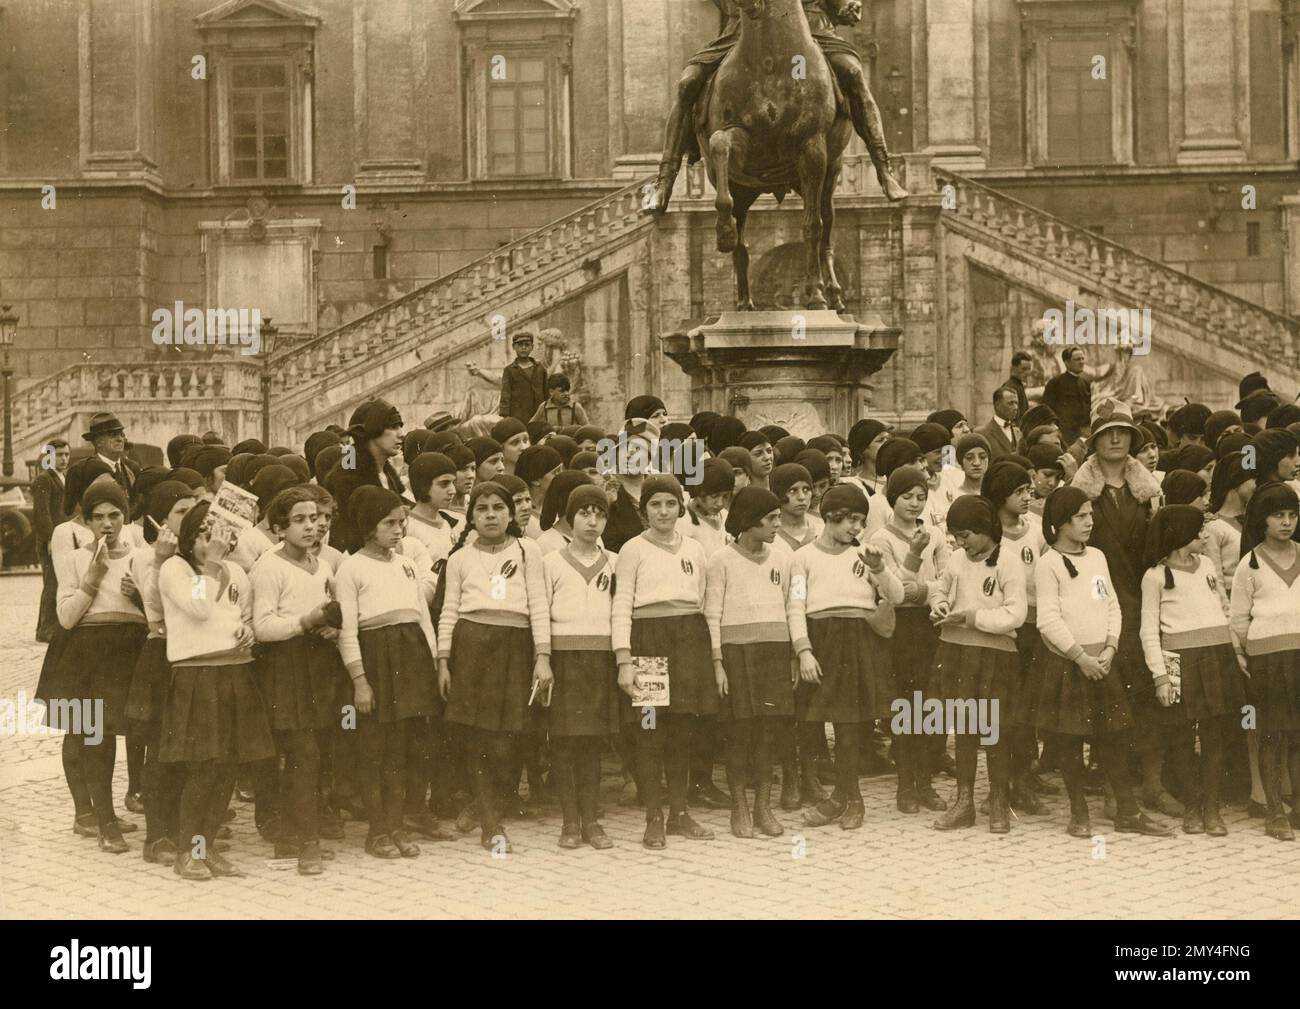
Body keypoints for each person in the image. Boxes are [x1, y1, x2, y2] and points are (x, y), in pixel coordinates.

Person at [645, 0, 907, 215]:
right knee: (687, 84)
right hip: (741, 32)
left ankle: (883, 168)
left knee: (853, 74)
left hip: (811, 30)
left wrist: (844, 4)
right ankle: (665, 180)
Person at [1029, 488, 1171, 837]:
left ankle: (1128, 811)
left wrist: (1110, 647)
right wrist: (1081, 658)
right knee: (1070, 740)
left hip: (1102, 662)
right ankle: (1079, 813)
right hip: (1069, 663)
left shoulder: (1096, 557)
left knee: (1114, 738)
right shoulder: (1049, 564)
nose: (1089, 521)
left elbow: (1109, 604)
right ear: (1060, 523)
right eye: (1080, 516)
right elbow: (1048, 620)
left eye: (1090, 514)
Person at [1070, 398, 1176, 819]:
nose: (1115, 439)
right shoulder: (1079, 495)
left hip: (1143, 603)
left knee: (1148, 694)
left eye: (1123, 432)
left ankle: (1152, 784)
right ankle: (1116, 789)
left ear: (1132, 439)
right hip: (1100, 605)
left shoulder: (1150, 494)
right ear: (1094, 441)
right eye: (1106, 433)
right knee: (1109, 698)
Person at [158, 502, 275, 879]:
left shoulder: (231, 571)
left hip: (234, 670)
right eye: (204, 535)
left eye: (218, 535)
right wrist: (212, 564)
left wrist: (246, 633)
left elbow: (237, 617)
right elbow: (199, 609)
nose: (212, 543)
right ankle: (187, 851)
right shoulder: (175, 569)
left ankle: (206, 848)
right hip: (197, 674)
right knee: (205, 765)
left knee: (228, 765)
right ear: (189, 539)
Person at [437, 482, 551, 853]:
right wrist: (443, 661)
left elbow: (538, 604)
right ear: (471, 517)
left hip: (515, 647)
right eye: (482, 509)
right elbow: (449, 611)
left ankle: (493, 800)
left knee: (507, 739)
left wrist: (543, 656)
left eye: (498, 508)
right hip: (471, 647)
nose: (490, 515)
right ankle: (490, 823)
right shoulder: (460, 559)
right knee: (478, 737)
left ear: (510, 513)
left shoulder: (527, 551)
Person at [788, 484, 902, 830]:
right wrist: (804, 651)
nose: (856, 527)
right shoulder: (802, 557)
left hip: (859, 640)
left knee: (850, 725)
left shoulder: (865, 554)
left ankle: (851, 800)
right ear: (829, 517)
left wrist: (880, 569)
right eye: (850, 519)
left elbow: (896, 595)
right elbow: (795, 605)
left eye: (861, 521)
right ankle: (842, 797)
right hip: (822, 641)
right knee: (822, 723)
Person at [334, 487, 439, 860]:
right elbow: (347, 631)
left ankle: (396, 825)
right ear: (368, 527)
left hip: (410, 661)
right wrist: (360, 681)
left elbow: (422, 618)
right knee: (374, 750)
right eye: (388, 523)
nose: (398, 530)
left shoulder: (406, 564)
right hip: (376, 662)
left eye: (401, 522)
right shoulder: (351, 568)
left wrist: (433, 663)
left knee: (402, 750)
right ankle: (377, 830)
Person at [612, 474, 716, 848]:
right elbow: (621, 605)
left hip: (688, 642)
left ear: (680, 507)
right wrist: (624, 659)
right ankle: (653, 816)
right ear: (645, 510)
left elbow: (702, 601)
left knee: (682, 730)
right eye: (655, 504)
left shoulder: (695, 550)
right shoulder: (632, 550)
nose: (663, 511)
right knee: (651, 730)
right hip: (648, 642)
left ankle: (679, 813)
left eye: (670, 503)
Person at [250, 487, 348, 875]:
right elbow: (262, 626)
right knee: (303, 753)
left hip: (318, 664)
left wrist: (331, 630)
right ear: (278, 528)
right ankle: (308, 844)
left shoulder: (321, 566)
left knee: (316, 751)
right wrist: (304, 622)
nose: (311, 526)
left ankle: (291, 835)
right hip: (285, 666)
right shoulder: (268, 567)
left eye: (315, 519)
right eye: (299, 520)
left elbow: (332, 613)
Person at [54, 479, 148, 854]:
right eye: (98, 517)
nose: (107, 524)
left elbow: (159, 614)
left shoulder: (142, 557)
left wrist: (138, 597)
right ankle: (105, 821)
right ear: (88, 521)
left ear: (125, 516)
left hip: (133, 651)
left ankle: (143, 807)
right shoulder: (76, 560)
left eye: (114, 515)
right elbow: (65, 617)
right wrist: (91, 582)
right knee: (97, 738)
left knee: (140, 733)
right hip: (92, 655)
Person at [1140, 505, 1245, 837]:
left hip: (1216, 656)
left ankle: (1212, 806)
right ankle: (1193, 804)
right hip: (1178, 661)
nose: (1205, 537)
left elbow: (1224, 609)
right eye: (1199, 531)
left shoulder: (1208, 566)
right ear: (1180, 534)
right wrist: (1160, 676)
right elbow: (1148, 631)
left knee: (1215, 734)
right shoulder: (1155, 576)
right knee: (1182, 736)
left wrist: (1236, 650)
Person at [928, 495, 1026, 833]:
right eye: (955, 536)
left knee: (995, 729)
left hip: (994, 655)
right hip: (956, 651)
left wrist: (972, 617)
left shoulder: (1008, 562)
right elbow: (939, 590)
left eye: (965, 535)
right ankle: (964, 802)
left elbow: (1015, 613)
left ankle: (999, 800)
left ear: (985, 529)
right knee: (965, 728)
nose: (960, 543)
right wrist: (940, 605)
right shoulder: (956, 559)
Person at [706, 487, 794, 838]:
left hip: (773, 653)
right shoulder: (720, 560)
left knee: (768, 733)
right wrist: (717, 662)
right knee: (739, 732)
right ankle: (739, 805)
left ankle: (763, 807)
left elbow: (791, 606)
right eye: (771, 518)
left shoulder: (782, 558)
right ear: (749, 520)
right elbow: (712, 614)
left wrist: (793, 654)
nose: (777, 524)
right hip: (736, 655)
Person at [542, 484, 619, 849]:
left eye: (600, 514)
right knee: (564, 741)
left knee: (591, 742)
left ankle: (591, 821)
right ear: (570, 518)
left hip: (600, 660)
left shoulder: (615, 561)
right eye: (584, 513)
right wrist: (543, 658)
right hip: (564, 660)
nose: (592, 521)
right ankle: (569, 821)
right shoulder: (551, 562)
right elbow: (540, 613)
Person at [869, 465, 949, 814]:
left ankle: (925, 781)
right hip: (902, 630)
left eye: (920, 496)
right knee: (905, 706)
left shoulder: (935, 534)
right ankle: (905, 784)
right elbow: (895, 591)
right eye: (907, 497)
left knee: (930, 705)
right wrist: (916, 576)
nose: (915, 503)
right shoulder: (881, 540)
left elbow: (947, 580)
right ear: (892, 498)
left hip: (932, 623)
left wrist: (924, 591)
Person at [126, 481, 198, 867]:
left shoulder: (196, 553)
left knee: (190, 747)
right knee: (161, 747)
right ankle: (157, 835)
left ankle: (186, 828)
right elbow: (155, 608)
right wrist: (160, 561)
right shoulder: (145, 557)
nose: (190, 518)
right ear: (160, 520)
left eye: (193, 509)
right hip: (162, 655)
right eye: (181, 512)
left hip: (192, 653)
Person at [982, 460, 1056, 813]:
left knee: (1028, 707)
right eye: (1019, 492)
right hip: (1001, 629)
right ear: (1000, 496)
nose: (1028, 497)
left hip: (1032, 628)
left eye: (1028, 489)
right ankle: (999, 785)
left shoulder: (1036, 530)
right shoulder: (987, 532)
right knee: (1002, 709)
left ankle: (1024, 779)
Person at [1230, 481, 1300, 841]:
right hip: (1267, 660)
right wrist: (1241, 652)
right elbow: (1238, 617)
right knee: (1271, 734)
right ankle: (1274, 810)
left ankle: (1298, 807)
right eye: (1278, 516)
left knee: (1298, 735)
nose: (1286, 523)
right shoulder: (1250, 564)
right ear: (1263, 520)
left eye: (1292, 515)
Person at [322, 399, 406, 555]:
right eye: (393, 427)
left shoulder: (387, 472)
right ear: (372, 430)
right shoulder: (347, 472)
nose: (401, 434)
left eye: (400, 427)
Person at [33, 438, 70, 642]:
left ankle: (50, 626)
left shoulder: (63, 477)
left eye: (66, 455)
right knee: (51, 583)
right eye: (59, 455)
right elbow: (42, 513)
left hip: (62, 539)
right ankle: (45, 629)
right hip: (50, 541)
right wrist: (50, 539)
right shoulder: (44, 479)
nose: (64, 459)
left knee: (59, 582)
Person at [495, 331, 548, 425]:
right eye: (520, 345)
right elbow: (505, 394)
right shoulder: (509, 370)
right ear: (513, 347)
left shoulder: (540, 368)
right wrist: (505, 416)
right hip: (518, 415)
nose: (523, 348)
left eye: (527, 345)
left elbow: (546, 390)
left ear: (532, 347)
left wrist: (548, 409)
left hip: (539, 413)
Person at [83, 411, 141, 495]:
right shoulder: (85, 471)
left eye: (121, 434)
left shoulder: (132, 468)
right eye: (113, 435)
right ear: (99, 442)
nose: (120, 439)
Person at [1042, 348, 1092, 445]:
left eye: (1082, 359)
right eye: (1077, 359)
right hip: (1064, 435)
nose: (1081, 362)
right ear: (1066, 362)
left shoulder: (1085, 383)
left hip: (1083, 434)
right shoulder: (1056, 383)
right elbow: (1046, 409)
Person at [1007, 351, 1033, 419]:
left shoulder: (1018, 386)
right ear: (1014, 368)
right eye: (1024, 369)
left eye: (1029, 369)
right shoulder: (1011, 388)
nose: (1028, 373)